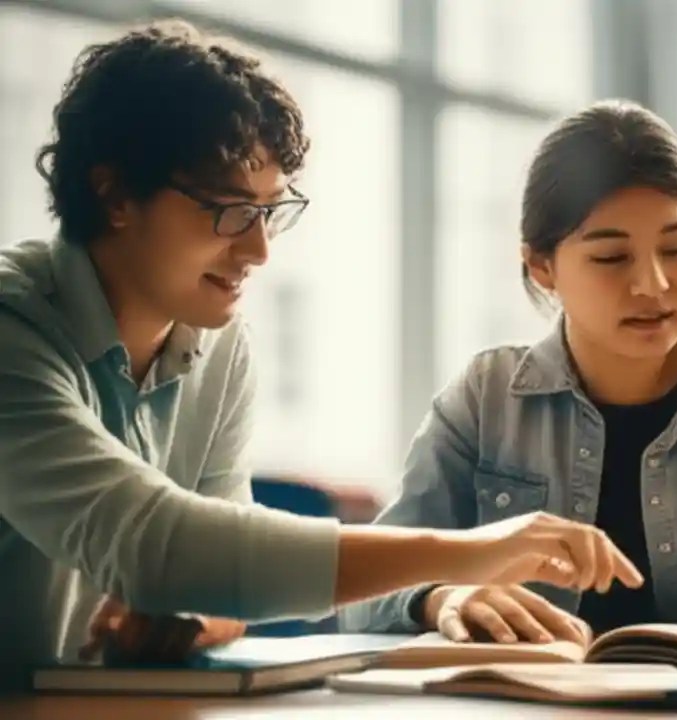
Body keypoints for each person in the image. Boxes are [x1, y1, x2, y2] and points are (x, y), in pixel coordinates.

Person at [0, 20, 640, 691]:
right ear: (115, 194)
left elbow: (219, 568)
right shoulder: (15, 330)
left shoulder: (219, 345)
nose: (258, 252)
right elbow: (156, 542)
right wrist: (474, 552)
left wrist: (202, 611)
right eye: (228, 212)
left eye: (271, 213)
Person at [340, 100, 677, 645]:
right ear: (541, 265)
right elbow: (362, 595)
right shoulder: (486, 398)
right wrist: (441, 598)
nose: (653, 285)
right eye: (611, 258)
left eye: (676, 249)